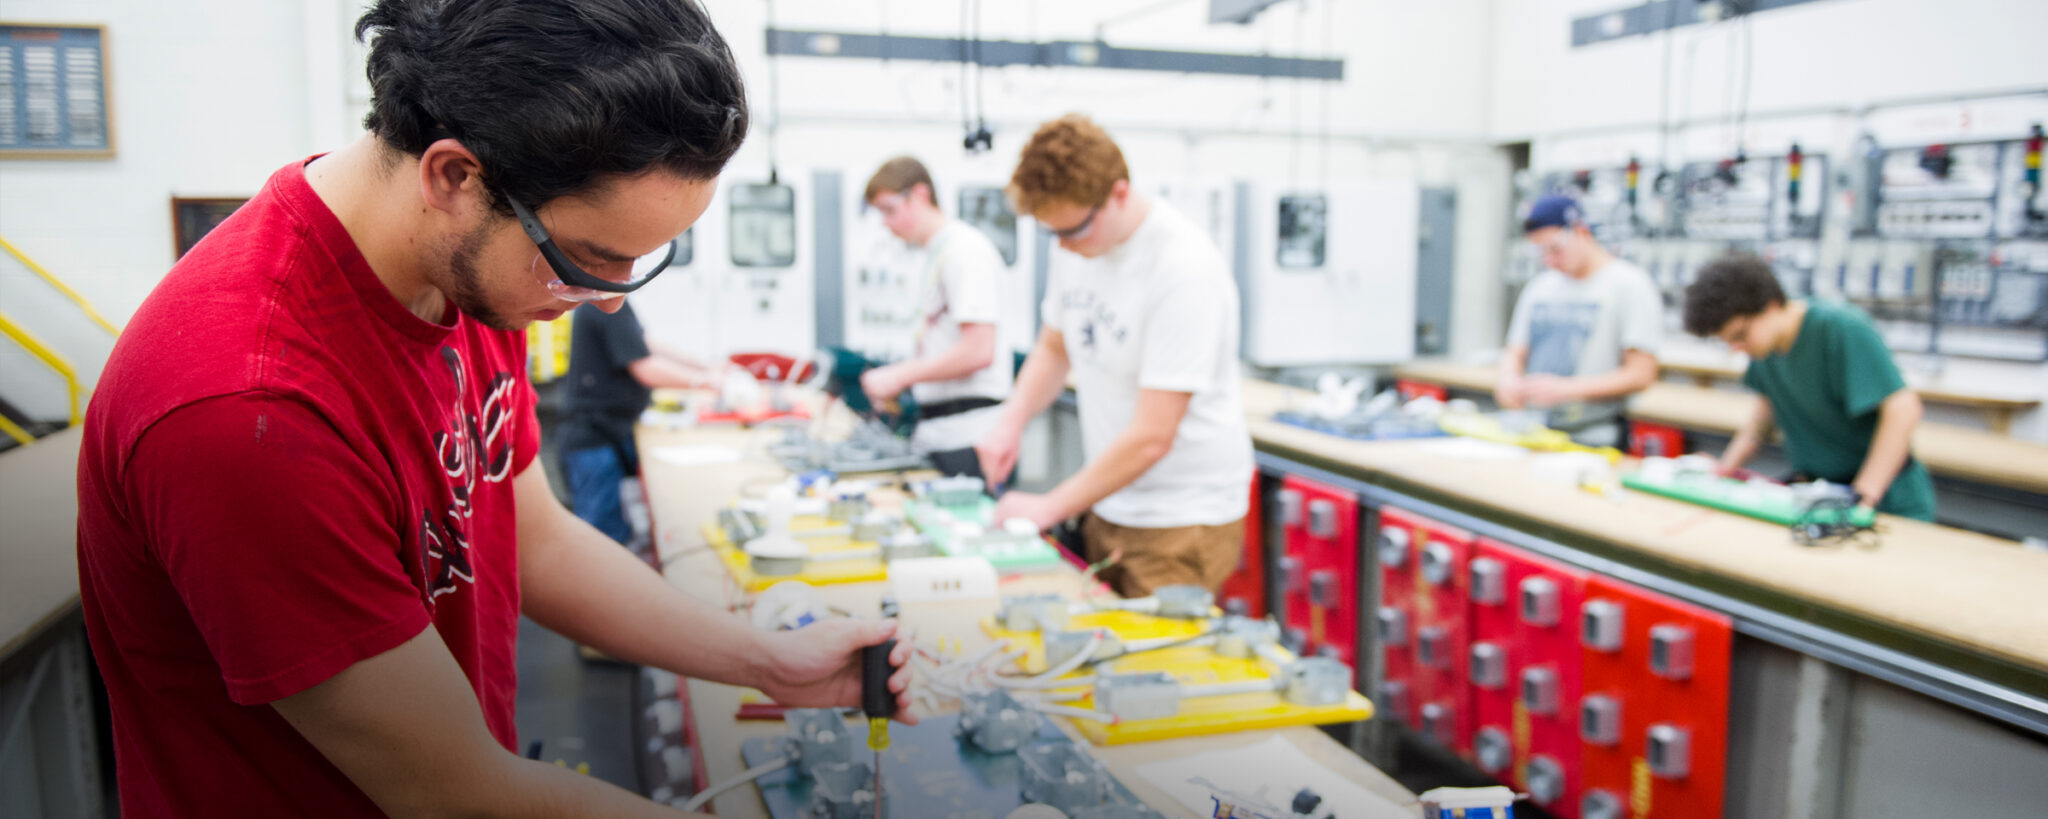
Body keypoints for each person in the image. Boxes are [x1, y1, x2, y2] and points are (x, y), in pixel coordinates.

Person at [73, 2, 913, 816]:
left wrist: (767, 659)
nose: (609, 301)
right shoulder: (246, 411)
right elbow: (452, 791)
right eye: (589, 259)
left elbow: (535, 540)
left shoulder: (470, 270)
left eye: (638, 262)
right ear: (453, 176)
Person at [974, 114, 1253, 597]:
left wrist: (1048, 506)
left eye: (1074, 229)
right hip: (1110, 500)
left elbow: (1152, 437)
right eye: (1051, 234)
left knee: (1154, 646)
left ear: (1119, 194)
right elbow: (1054, 345)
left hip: (1180, 520)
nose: (1063, 246)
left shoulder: (1183, 269)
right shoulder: (1075, 246)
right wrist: (1010, 422)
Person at [1682, 255, 1936, 521]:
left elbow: (1904, 409)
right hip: (1821, 494)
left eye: (1740, 335)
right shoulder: (1763, 349)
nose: (1736, 348)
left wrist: (1863, 496)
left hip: (1886, 499)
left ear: (1772, 304)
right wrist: (1723, 470)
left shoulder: (1841, 328)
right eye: (1728, 342)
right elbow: (1761, 420)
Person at [856, 156, 1013, 458]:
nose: (885, 223)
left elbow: (979, 350)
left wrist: (900, 375)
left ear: (920, 195)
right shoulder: (936, 254)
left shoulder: (965, 251)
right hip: (941, 429)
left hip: (967, 434)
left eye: (889, 210)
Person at [1495, 194, 1665, 447]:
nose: (1549, 260)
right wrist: (1508, 379)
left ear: (1581, 232)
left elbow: (1641, 374)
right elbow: (1515, 352)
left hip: (1595, 434)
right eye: (1540, 252)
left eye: (1555, 249)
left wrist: (1565, 389)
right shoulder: (1540, 287)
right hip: (1533, 428)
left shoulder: (1630, 285)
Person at [557, 299, 714, 545]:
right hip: (592, 438)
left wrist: (706, 368)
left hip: (609, 433)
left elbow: (643, 343)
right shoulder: (602, 301)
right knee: (599, 538)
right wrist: (705, 382)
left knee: (614, 531)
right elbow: (644, 366)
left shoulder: (613, 300)